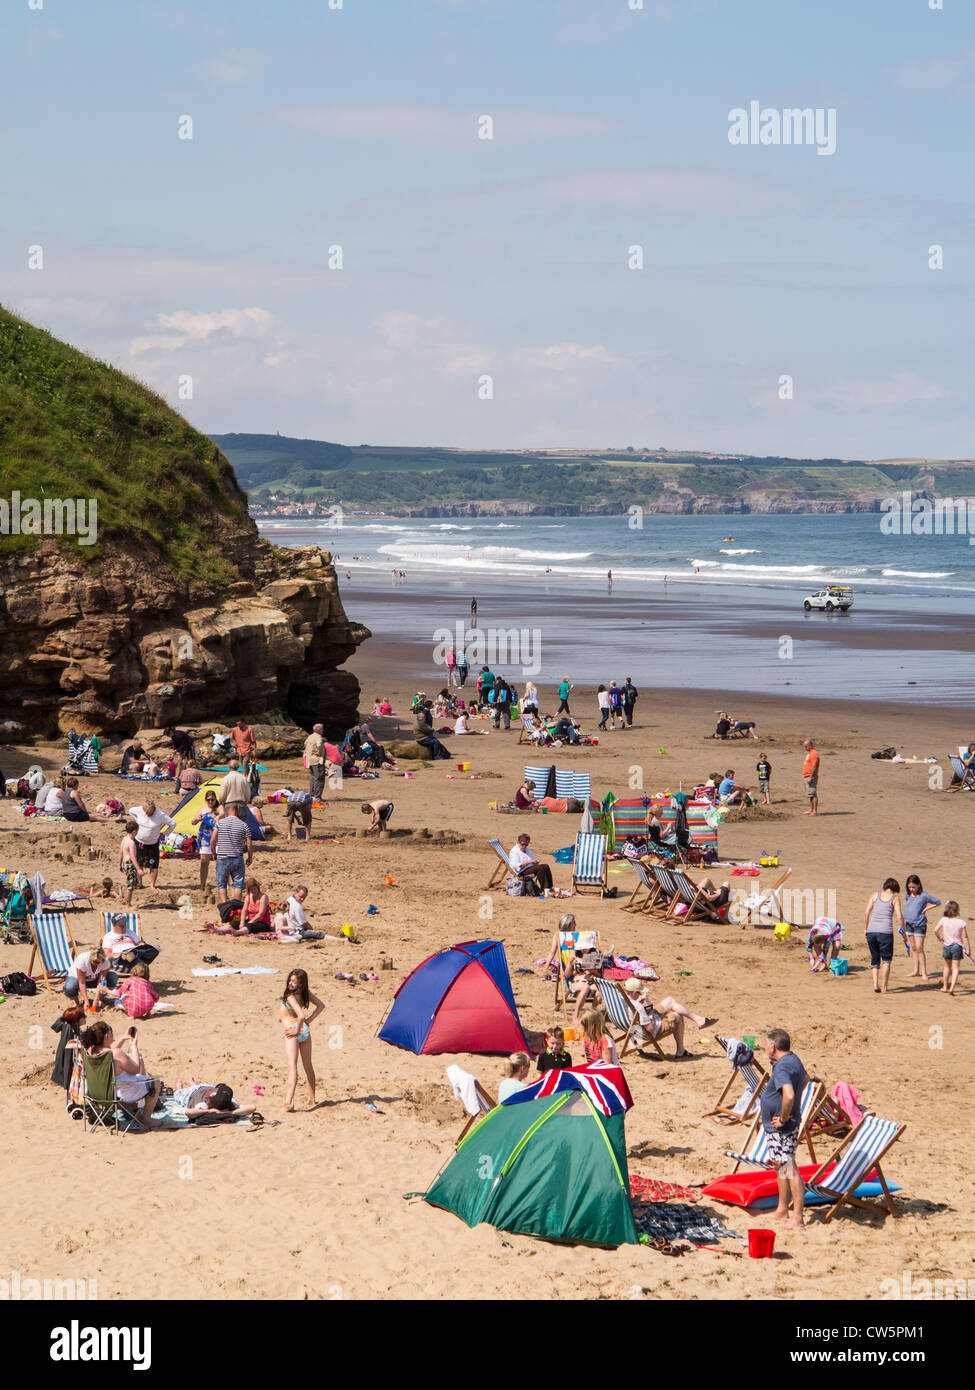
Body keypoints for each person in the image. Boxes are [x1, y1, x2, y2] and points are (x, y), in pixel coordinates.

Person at [760, 1028, 808, 1229]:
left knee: (789, 1166)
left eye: (765, 1045)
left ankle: (797, 1217)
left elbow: (788, 1094)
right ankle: (782, 1210)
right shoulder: (793, 1059)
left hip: (783, 1126)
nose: (764, 1048)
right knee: (781, 1165)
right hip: (782, 1124)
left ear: (772, 1046)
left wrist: (785, 1116)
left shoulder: (782, 1067)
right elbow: (805, 1080)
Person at [81, 1020, 161, 1126]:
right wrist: (134, 1046)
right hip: (118, 1096)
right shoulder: (116, 1054)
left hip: (95, 1095)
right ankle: (146, 1119)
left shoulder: (89, 1051)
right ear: (106, 1036)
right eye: (112, 1034)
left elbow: (109, 1049)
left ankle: (136, 1113)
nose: (113, 1036)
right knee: (155, 1081)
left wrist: (124, 1037)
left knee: (128, 1080)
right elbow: (136, 1068)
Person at [622, 977, 715, 1058]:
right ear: (634, 993)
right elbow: (650, 1029)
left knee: (670, 1000)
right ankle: (680, 1051)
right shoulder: (638, 1007)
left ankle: (699, 1020)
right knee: (677, 1016)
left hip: (634, 1025)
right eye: (639, 992)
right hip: (649, 1030)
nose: (641, 994)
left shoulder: (622, 999)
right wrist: (649, 1013)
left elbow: (636, 1016)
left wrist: (642, 1005)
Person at [282, 968, 325, 1112]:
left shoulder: (290, 997)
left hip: (293, 1032)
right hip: (305, 1031)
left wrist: (297, 1029)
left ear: (301, 984)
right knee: (308, 1065)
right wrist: (309, 1021)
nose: (291, 983)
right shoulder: (305, 994)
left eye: (294, 981)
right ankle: (312, 1098)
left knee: (292, 1067)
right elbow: (321, 1005)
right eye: (290, 980)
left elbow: (301, 1015)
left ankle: (289, 1101)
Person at [864, 877, 904, 994]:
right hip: (886, 932)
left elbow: (867, 912)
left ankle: (875, 985)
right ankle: (884, 988)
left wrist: (865, 928)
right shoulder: (895, 898)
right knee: (886, 960)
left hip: (871, 931)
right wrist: (903, 933)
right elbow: (899, 917)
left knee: (875, 959)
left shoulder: (875, 895)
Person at [128, 800, 175, 890]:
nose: (147, 814)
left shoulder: (160, 815)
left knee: (153, 865)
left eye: (149, 812)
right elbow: (130, 811)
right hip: (139, 842)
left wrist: (164, 834)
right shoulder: (139, 810)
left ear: (153, 809)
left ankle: (152, 885)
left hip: (153, 844)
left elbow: (172, 824)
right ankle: (139, 883)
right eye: (146, 812)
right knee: (139, 863)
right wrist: (137, 821)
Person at [903, 874, 940, 980]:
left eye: (913, 887)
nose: (911, 889)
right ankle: (916, 970)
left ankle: (924, 972)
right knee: (913, 947)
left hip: (920, 924)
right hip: (909, 924)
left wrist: (926, 909)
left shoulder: (924, 895)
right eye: (909, 887)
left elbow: (937, 902)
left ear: (919, 885)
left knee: (919, 948)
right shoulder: (908, 895)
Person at [214, 804, 253, 904]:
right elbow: (249, 844)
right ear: (237, 812)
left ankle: (225, 906)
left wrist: (214, 853)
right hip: (237, 857)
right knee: (238, 884)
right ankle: (235, 906)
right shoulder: (243, 825)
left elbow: (212, 840)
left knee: (222, 884)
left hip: (222, 857)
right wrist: (250, 857)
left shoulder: (220, 823)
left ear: (227, 812)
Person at [934, 901, 970, 995]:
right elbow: (964, 937)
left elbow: (935, 930)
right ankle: (952, 988)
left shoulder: (944, 920)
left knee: (946, 967)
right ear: (957, 910)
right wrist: (968, 949)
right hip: (957, 946)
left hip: (947, 946)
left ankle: (945, 986)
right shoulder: (961, 922)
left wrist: (940, 939)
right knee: (955, 968)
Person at [179, 1082, 258, 1123]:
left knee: (184, 1089)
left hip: (204, 1089)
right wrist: (229, 1112)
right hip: (193, 1092)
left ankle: (191, 1084)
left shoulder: (207, 1104)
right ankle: (189, 1084)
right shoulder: (205, 1104)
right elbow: (188, 1112)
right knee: (180, 1092)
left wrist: (228, 1112)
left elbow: (252, 1108)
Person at [191, 789, 223, 889]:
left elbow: (222, 813)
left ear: (215, 799)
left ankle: (223, 885)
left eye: (212, 800)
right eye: (208, 800)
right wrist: (197, 819)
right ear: (205, 800)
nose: (210, 802)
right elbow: (193, 821)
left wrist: (218, 817)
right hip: (205, 837)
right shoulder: (203, 809)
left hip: (217, 836)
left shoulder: (219, 807)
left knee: (221, 863)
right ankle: (202, 885)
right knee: (204, 862)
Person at [118, 820, 143, 905]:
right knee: (131, 885)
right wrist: (138, 869)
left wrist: (119, 864)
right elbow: (132, 856)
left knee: (129, 882)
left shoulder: (124, 839)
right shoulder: (131, 842)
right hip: (130, 864)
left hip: (125, 864)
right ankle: (127, 904)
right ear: (134, 831)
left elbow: (121, 852)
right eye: (137, 831)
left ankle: (126, 900)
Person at [304, 724, 326, 799]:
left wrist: (310, 751)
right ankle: (317, 796)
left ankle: (312, 794)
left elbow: (305, 743)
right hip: (317, 760)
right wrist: (319, 752)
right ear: (319, 730)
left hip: (310, 760)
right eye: (322, 729)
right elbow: (319, 744)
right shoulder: (318, 737)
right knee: (319, 778)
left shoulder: (310, 736)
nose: (323, 730)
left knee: (313, 777)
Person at [802, 738, 820, 816]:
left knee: (813, 793)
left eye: (806, 746)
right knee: (810, 794)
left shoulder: (813, 753)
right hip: (807, 775)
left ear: (810, 745)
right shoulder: (810, 753)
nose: (805, 748)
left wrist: (811, 776)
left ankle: (814, 811)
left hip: (810, 776)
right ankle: (811, 809)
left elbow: (814, 765)